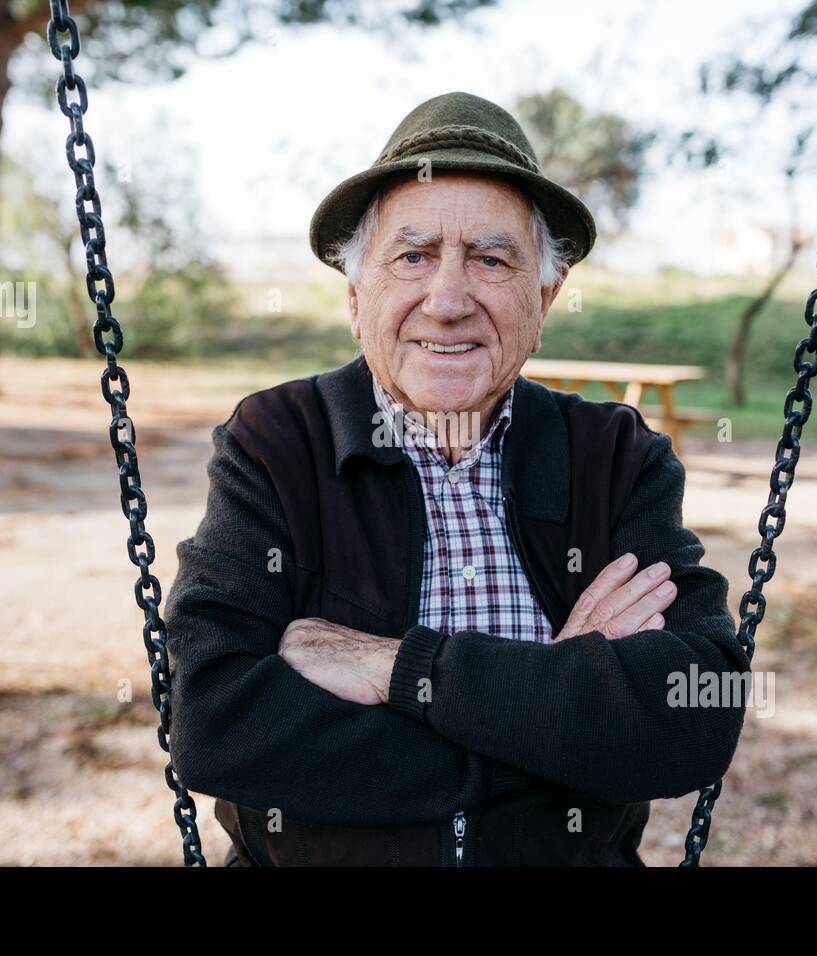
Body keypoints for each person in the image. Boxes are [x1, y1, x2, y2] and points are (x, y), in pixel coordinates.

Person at [164, 91, 750, 866]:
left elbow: (693, 711)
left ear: (544, 299)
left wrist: (392, 667)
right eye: (412, 257)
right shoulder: (276, 442)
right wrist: (552, 705)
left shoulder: (615, 455)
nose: (447, 301)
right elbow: (213, 722)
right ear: (355, 294)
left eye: (492, 259)